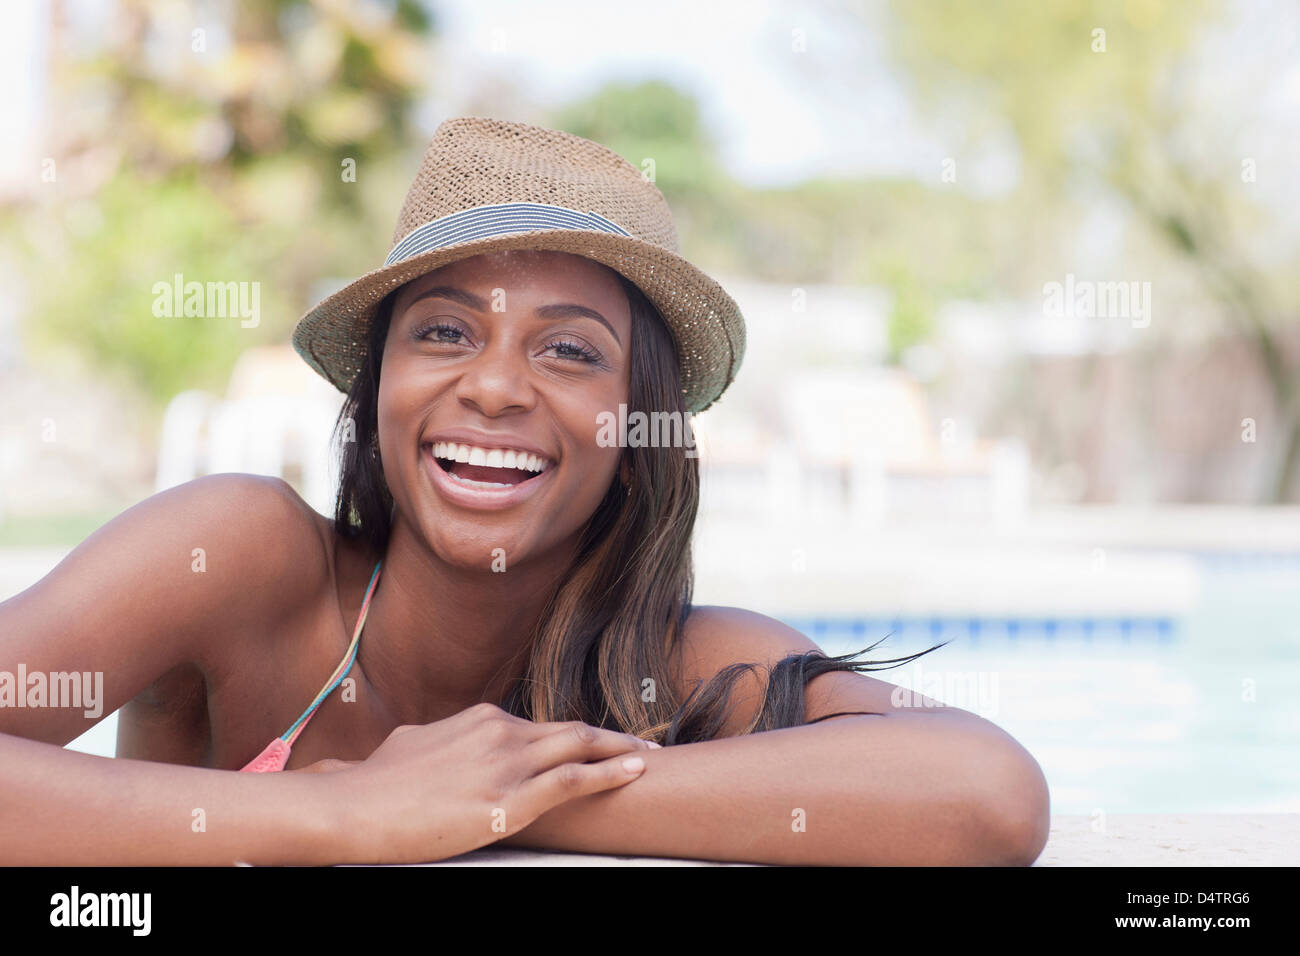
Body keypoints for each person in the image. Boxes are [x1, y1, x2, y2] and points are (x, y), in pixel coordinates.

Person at [0, 117, 1049, 866]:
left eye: (567, 350)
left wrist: (502, 801)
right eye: (445, 331)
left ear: (636, 435)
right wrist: (349, 815)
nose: (495, 384)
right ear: (377, 396)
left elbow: (987, 794)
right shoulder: (242, 558)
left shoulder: (673, 664)